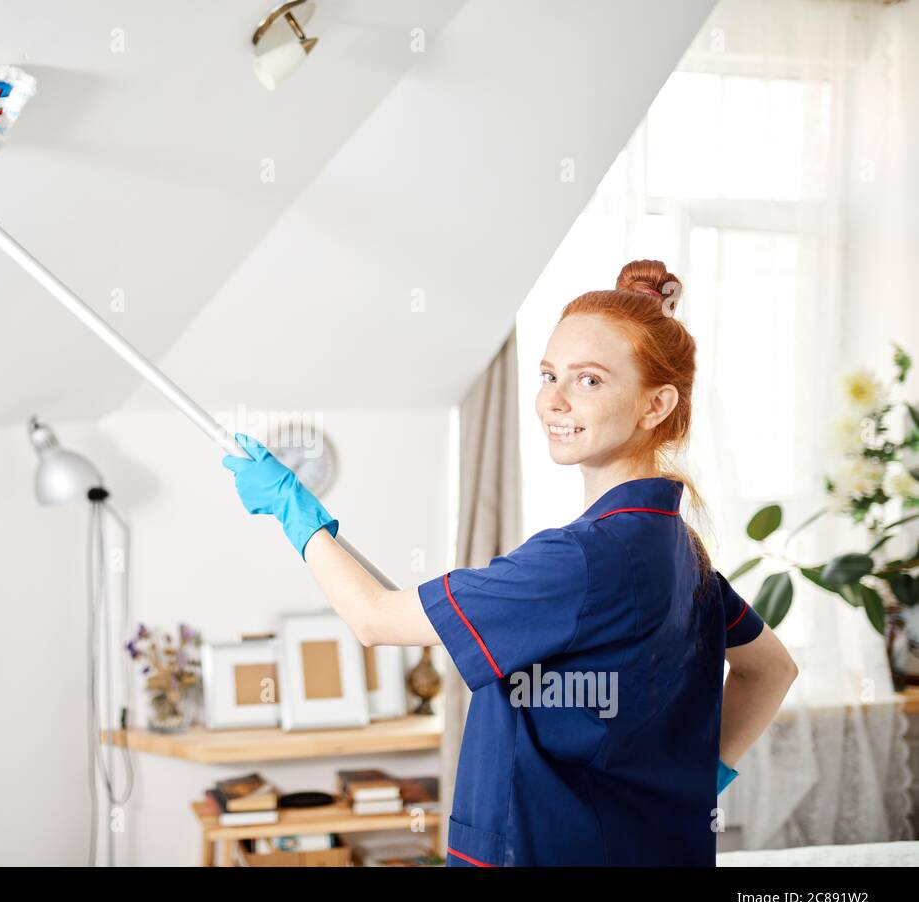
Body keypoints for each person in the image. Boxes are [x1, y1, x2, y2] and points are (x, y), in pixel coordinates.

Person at [222, 259, 799, 866]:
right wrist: (701, 779)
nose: (554, 400)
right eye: (549, 374)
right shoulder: (679, 548)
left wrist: (293, 512)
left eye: (590, 381)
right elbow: (772, 670)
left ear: (655, 404)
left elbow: (373, 620)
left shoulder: (580, 559)